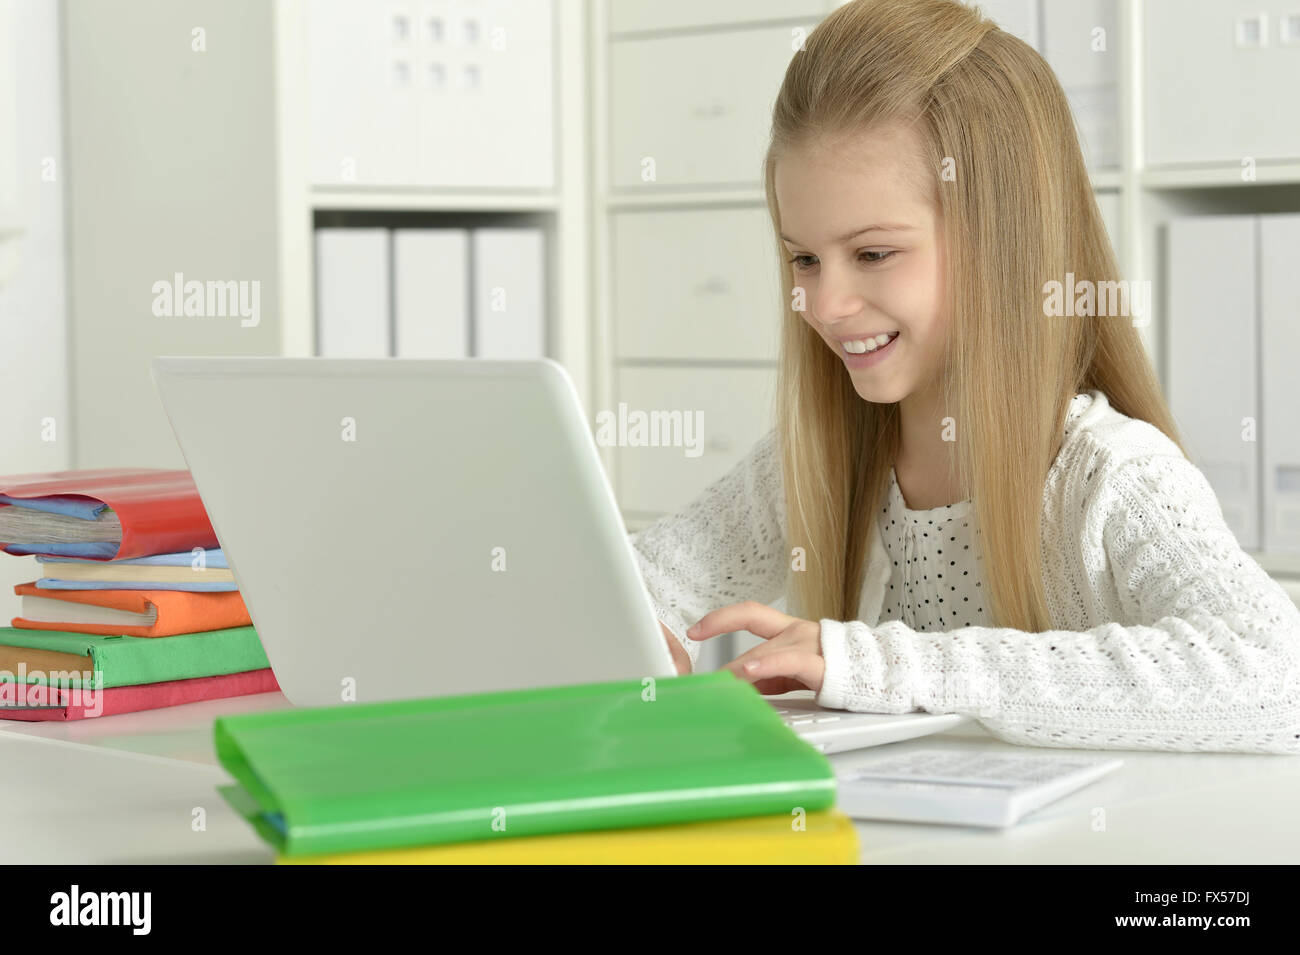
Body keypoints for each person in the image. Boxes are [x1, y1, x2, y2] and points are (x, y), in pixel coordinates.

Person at [629, 0, 1300, 754]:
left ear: (1001, 244)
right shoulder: (816, 458)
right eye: (804, 258)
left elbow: (1277, 675)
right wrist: (630, 637)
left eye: (873, 254)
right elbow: (634, 583)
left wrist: (882, 665)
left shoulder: (1113, 476)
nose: (822, 303)